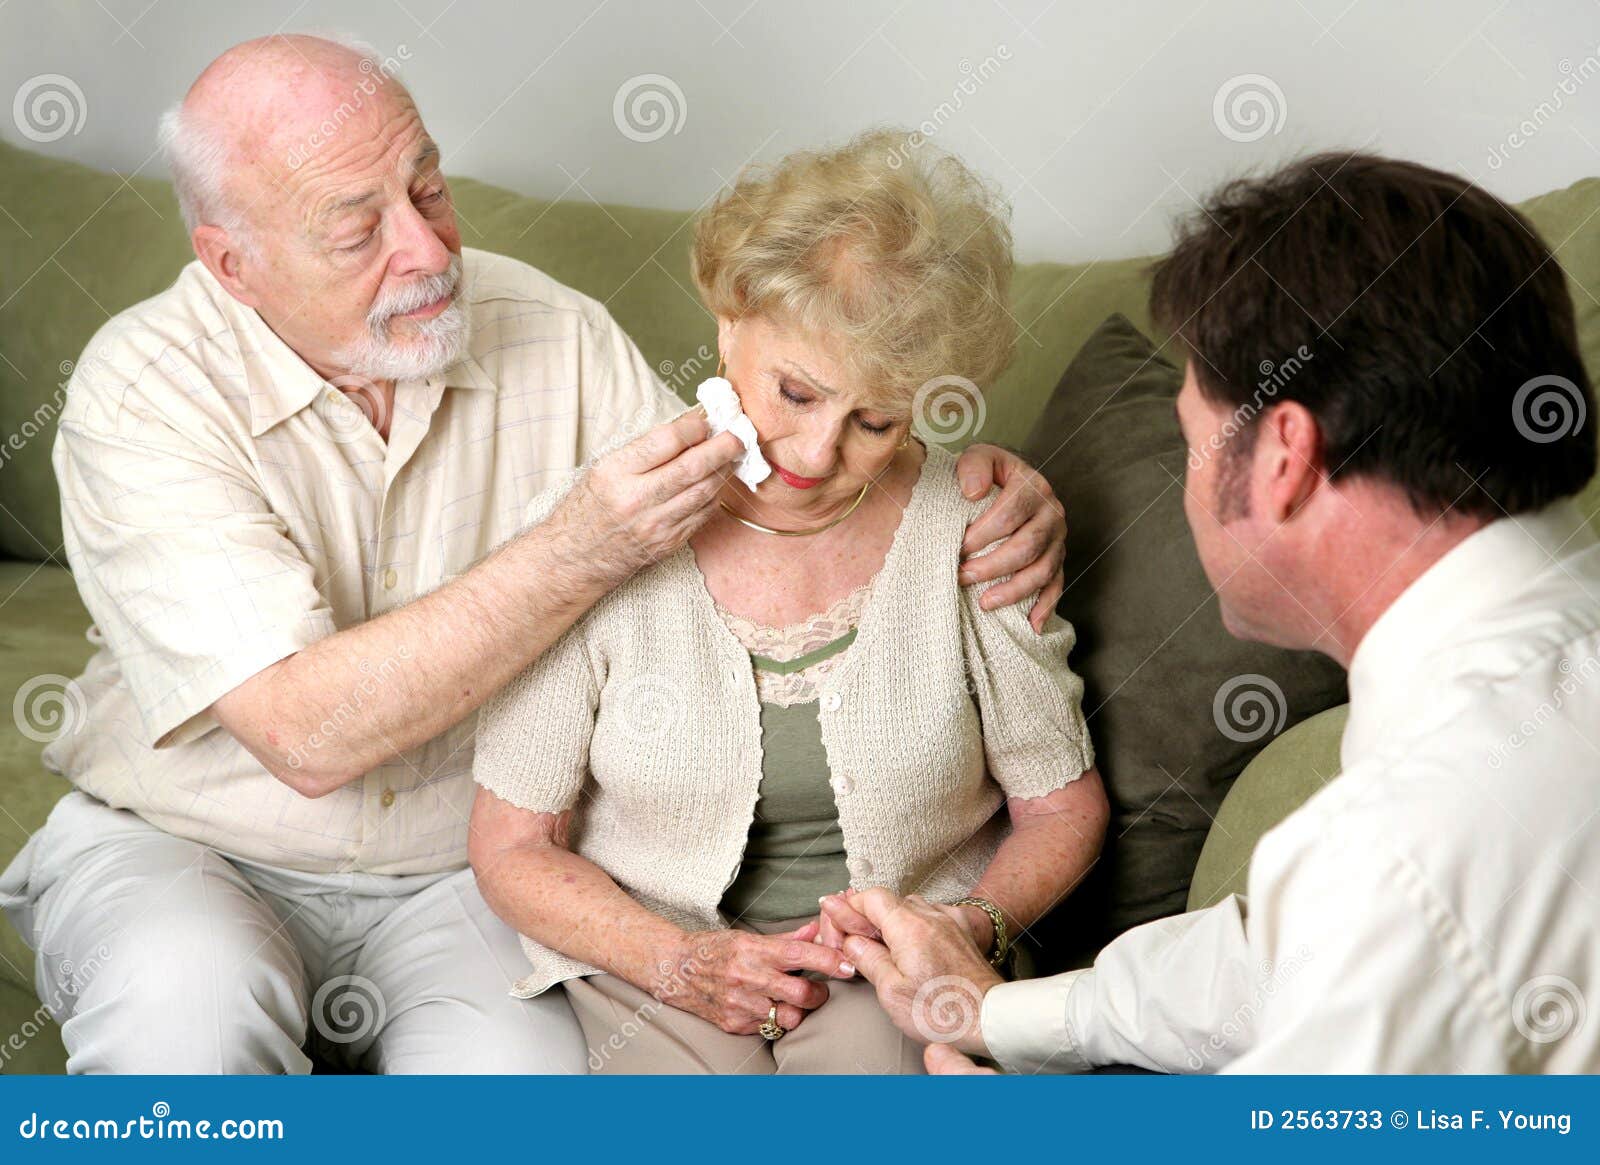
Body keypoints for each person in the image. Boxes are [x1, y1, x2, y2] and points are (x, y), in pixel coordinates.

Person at [0, 38, 1071, 1074]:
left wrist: (970, 485)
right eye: (354, 226)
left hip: (452, 876)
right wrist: (573, 550)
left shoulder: (550, 331)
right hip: (187, 842)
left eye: (426, 189)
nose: (427, 251)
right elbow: (304, 736)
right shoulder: (142, 391)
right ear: (235, 262)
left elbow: (757, 492)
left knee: (515, 1099)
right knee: (185, 1029)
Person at [830, 152, 1600, 1074]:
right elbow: (1287, 962)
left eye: (1194, 439)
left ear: (1283, 459)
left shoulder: (1410, 837)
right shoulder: (1514, 699)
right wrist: (999, 1014)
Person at [468, 130, 1108, 1074]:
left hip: (889, 962)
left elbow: (1061, 809)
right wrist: (679, 961)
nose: (815, 454)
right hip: (652, 960)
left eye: (875, 421)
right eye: (795, 392)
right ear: (730, 323)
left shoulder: (974, 528)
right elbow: (513, 844)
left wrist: (961, 929)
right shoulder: (601, 525)